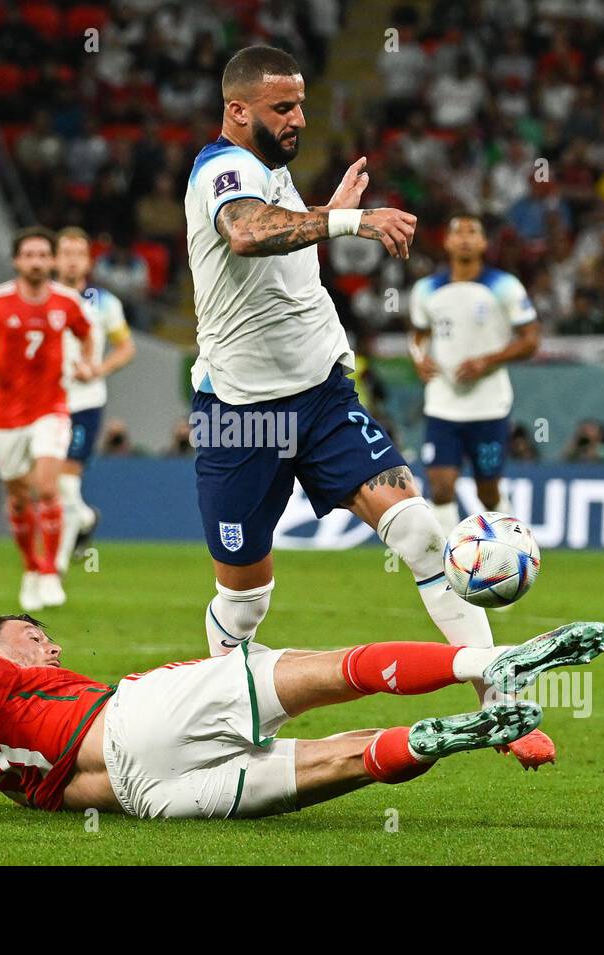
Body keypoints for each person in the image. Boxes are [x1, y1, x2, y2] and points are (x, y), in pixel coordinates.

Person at [183, 45, 553, 769]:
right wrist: (348, 223)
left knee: (417, 528)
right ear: (237, 111)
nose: (298, 118)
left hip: (322, 396)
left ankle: (497, 694)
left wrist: (324, 214)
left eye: (300, 104)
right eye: (281, 107)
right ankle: (227, 721)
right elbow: (246, 233)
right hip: (241, 415)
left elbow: (279, 243)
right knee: (246, 599)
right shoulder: (222, 169)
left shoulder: (274, 174)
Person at [0, 613, 604, 820]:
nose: (49, 644)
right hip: (133, 717)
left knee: (334, 762)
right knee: (318, 674)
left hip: (150, 800)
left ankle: (432, 741)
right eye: (34, 635)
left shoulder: (4, 778)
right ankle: (481, 662)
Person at [0, 227, 95, 611]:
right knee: (18, 498)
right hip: (7, 415)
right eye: (28, 255)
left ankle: (51, 570)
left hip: (51, 409)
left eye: (41, 255)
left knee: (48, 488)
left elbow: (86, 335)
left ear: (51, 260)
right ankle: (31, 568)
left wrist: (85, 362)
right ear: (17, 260)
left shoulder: (67, 302)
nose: (35, 261)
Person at [408, 213, 541, 527]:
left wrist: (487, 361)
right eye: (458, 231)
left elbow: (532, 340)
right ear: (447, 242)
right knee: (440, 487)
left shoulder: (504, 286)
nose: (465, 237)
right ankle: (448, 563)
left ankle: (513, 547)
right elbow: (418, 334)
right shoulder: (426, 289)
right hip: (443, 403)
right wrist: (418, 356)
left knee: (488, 491)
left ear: (483, 243)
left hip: (488, 405)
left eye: (473, 232)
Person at [53, 227, 137, 572]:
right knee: (45, 481)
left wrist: (99, 368)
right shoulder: (44, 298)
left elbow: (126, 347)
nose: (72, 260)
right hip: (44, 402)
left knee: (67, 476)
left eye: (79, 254)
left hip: (85, 400)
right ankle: (85, 518)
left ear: (88, 261)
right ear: (56, 259)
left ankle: (55, 563)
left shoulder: (103, 302)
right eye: (66, 253)